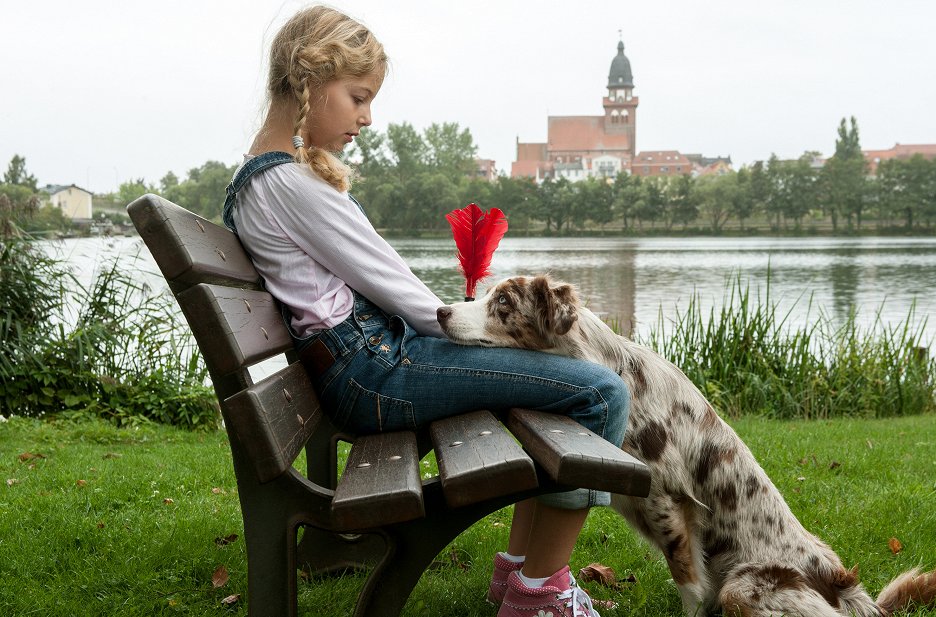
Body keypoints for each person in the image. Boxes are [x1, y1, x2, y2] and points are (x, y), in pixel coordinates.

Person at [222, 6, 630, 616]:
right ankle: (539, 594)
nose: (367, 118)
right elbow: (402, 292)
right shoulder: (290, 185)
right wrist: (471, 324)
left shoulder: (262, 181)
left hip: (361, 364)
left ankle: (521, 574)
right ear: (310, 79)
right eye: (359, 97)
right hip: (375, 370)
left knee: (567, 390)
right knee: (601, 394)